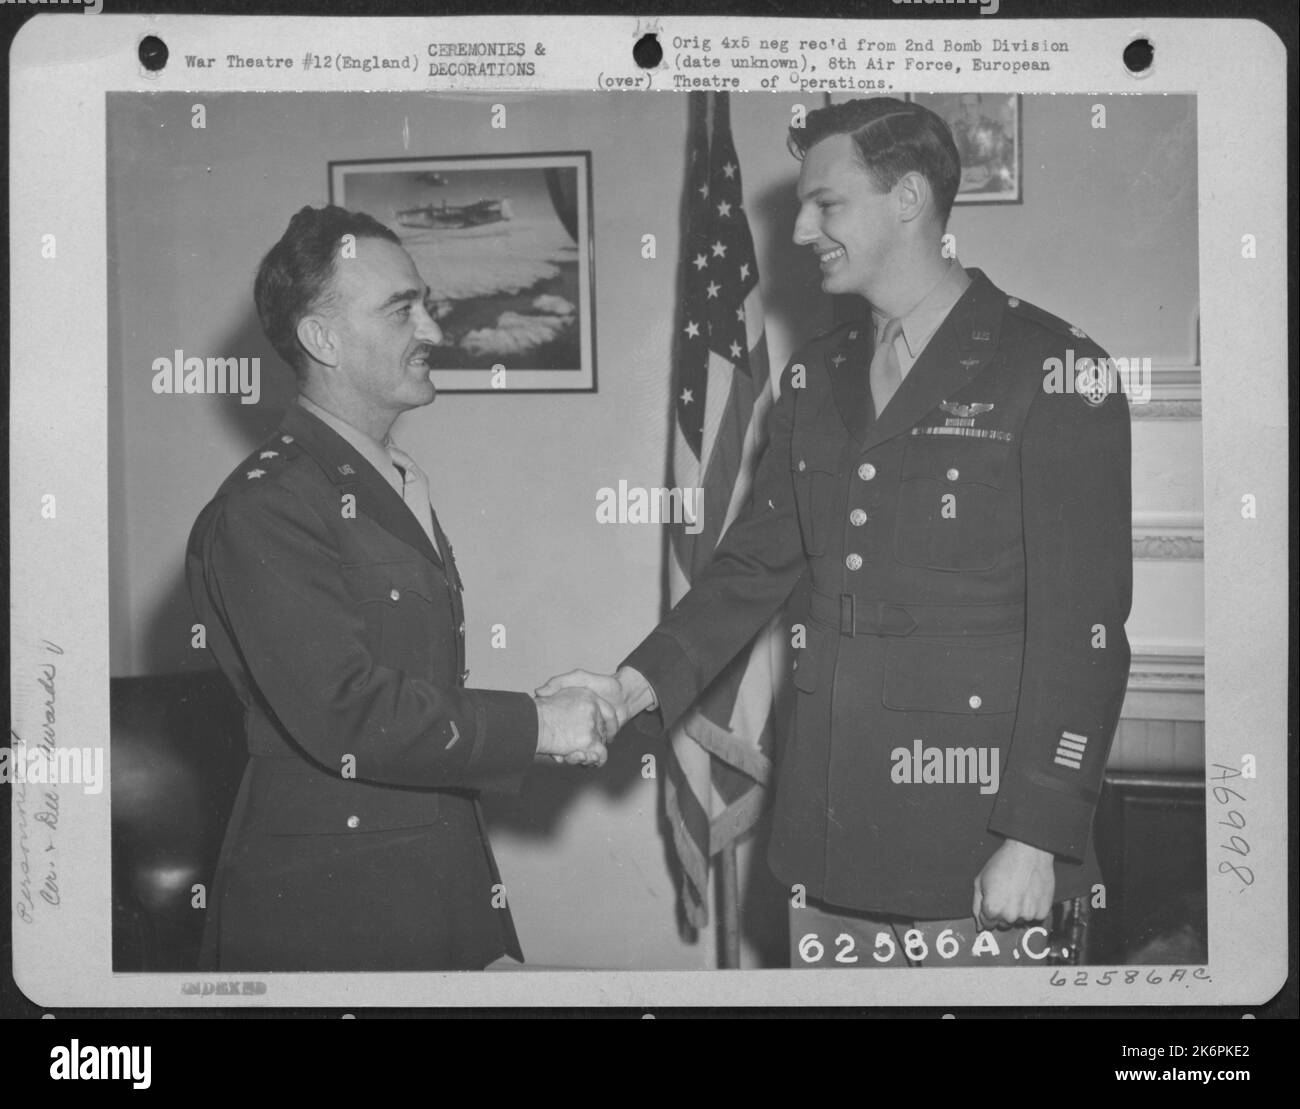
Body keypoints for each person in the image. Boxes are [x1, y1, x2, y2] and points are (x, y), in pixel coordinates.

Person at [540, 98, 1132, 967]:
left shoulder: (1052, 371)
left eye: (828, 204)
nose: (802, 229)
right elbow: (747, 569)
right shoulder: (816, 375)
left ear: (909, 199)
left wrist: (1037, 838)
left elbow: (1083, 636)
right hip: (827, 846)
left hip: (980, 851)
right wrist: (630, 689)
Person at [187, 205, 613, 972]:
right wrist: (538, 726)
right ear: (321, 338)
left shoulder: (387, 481)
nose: (435, 333)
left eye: (427, 304)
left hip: (434, 874)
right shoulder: (267, 506)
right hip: (333, 909)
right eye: (401, 309)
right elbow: (348, 711)